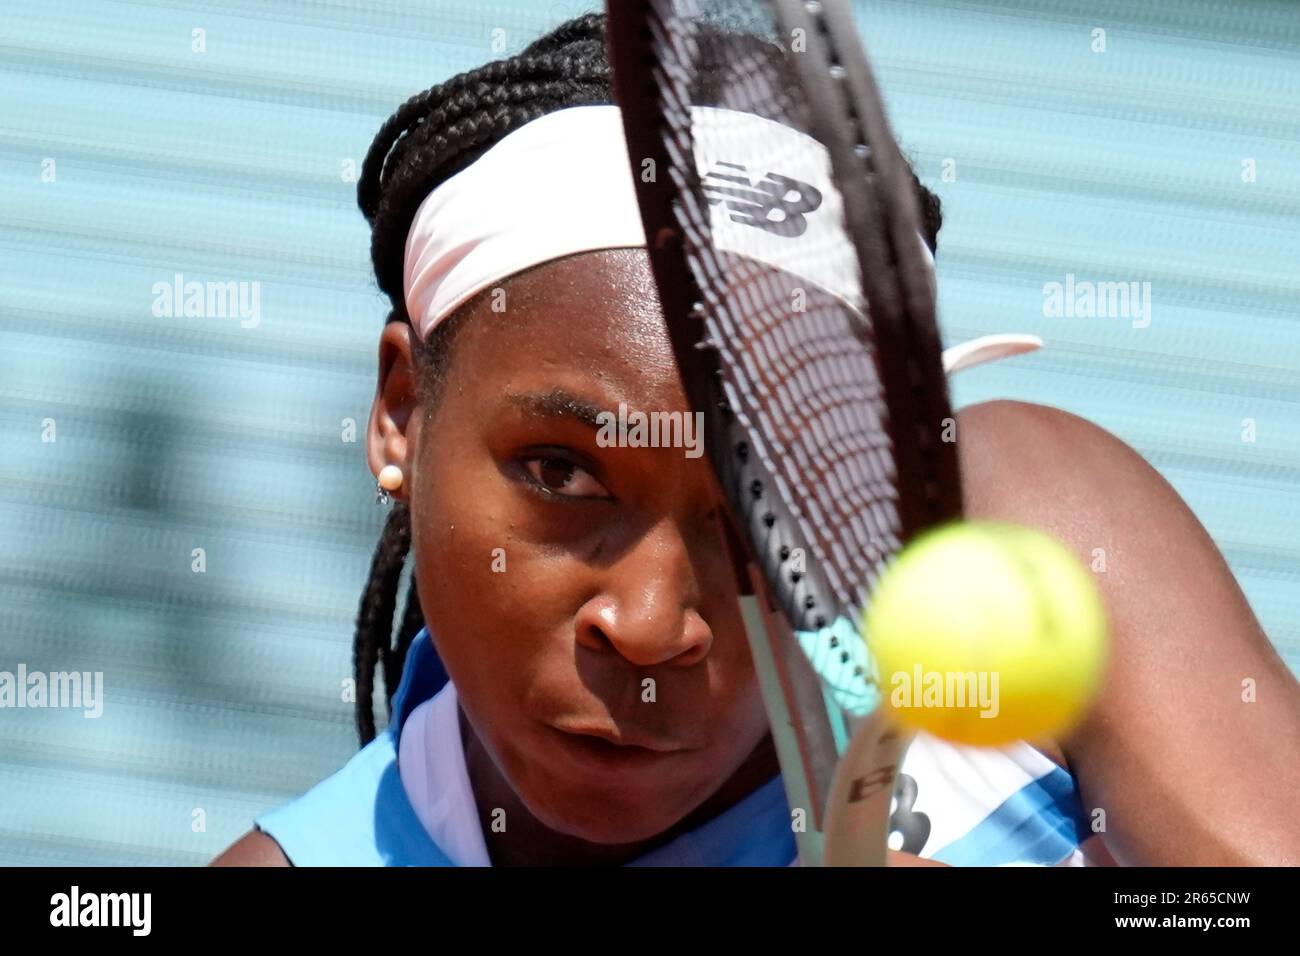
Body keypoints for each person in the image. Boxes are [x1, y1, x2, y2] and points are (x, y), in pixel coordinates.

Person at [213, 13, 1300, 867]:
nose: (649, 626)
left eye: (767, 513)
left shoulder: (1021, 522)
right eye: (562, 472)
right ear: (402, 414)